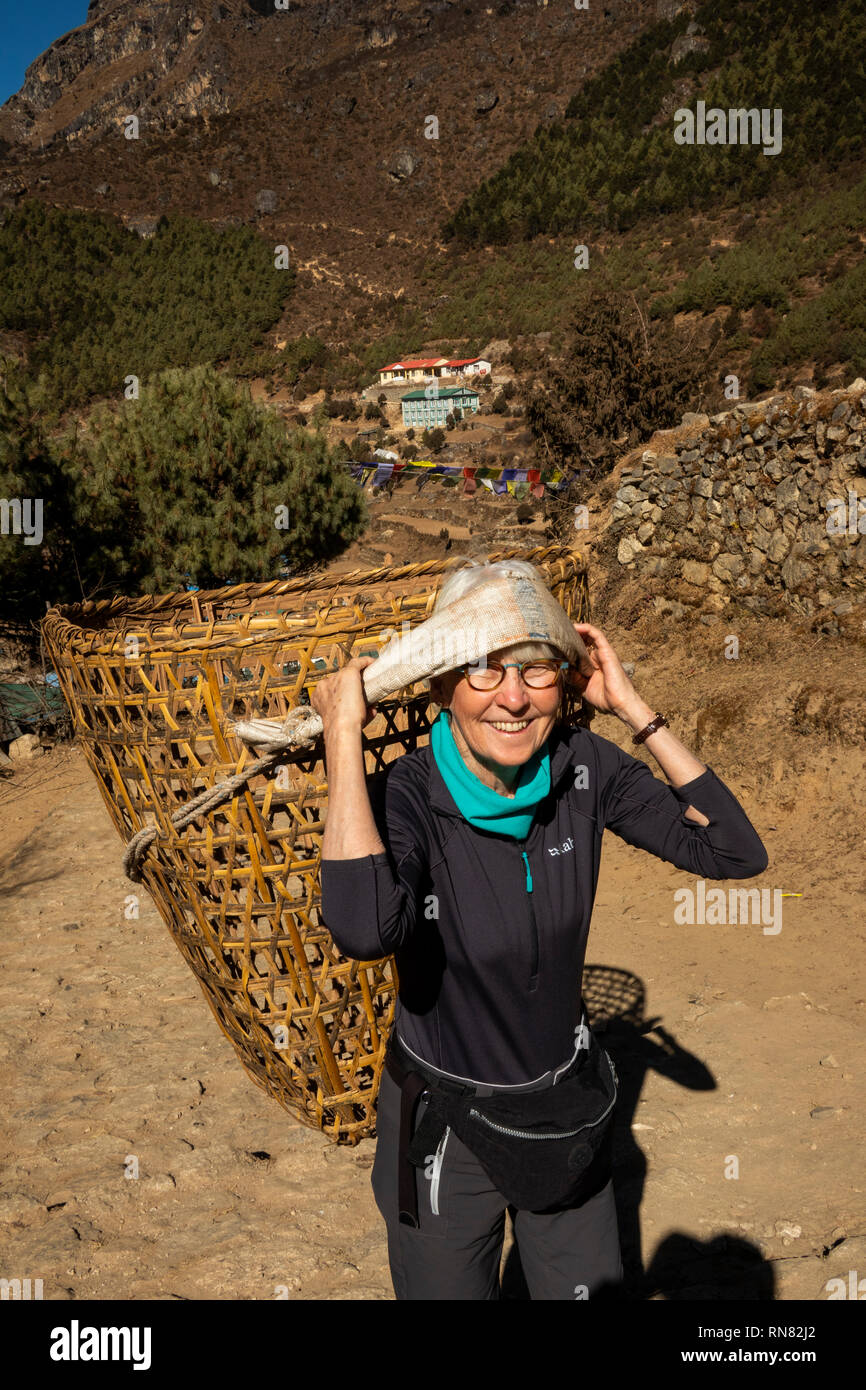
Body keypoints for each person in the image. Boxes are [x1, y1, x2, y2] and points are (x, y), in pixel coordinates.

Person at [314, 559, 768, 1300]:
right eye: (484, 672)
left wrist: (630, 705)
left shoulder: (582, 770)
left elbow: (734, 851)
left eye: (537, 671)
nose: (515, 699)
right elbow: (365, 928)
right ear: (441, 687)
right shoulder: (406, 795)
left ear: (567, 682)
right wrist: (341, 735)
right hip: (445, 1125)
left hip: (566, 1115)